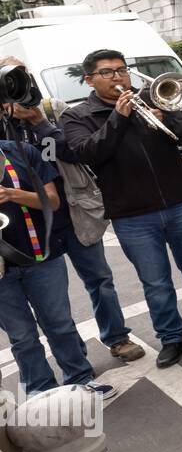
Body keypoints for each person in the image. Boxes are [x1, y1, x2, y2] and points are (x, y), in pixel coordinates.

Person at [60, 51, 182, 368]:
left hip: (180, 201)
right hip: (132, 214)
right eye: (107, 72)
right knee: (156, 281)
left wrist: (168, 117)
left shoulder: (151, 98)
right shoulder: (77, 116)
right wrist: (118, 119)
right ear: (90, 80)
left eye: (122, 70)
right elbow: (87, 153)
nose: (118, 77)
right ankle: (172, 337)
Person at [0, 60, 144, 364]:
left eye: (21, 73)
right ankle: (75, 357)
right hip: (31, 221)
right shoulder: (2, 115)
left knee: (99, 279)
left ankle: (117, 337)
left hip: (72, 209)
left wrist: (38, 122)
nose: (18, 81)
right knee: (52, 302)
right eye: (10, 77)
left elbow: (67, 151)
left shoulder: (53, 108)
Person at [0, 132, 115, 401]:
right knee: (22, 337)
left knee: (60, 324)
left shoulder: (22, 152)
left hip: (42, 259)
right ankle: (43, 395)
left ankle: (80, 380)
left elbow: (52, 201)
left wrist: (13, 194)